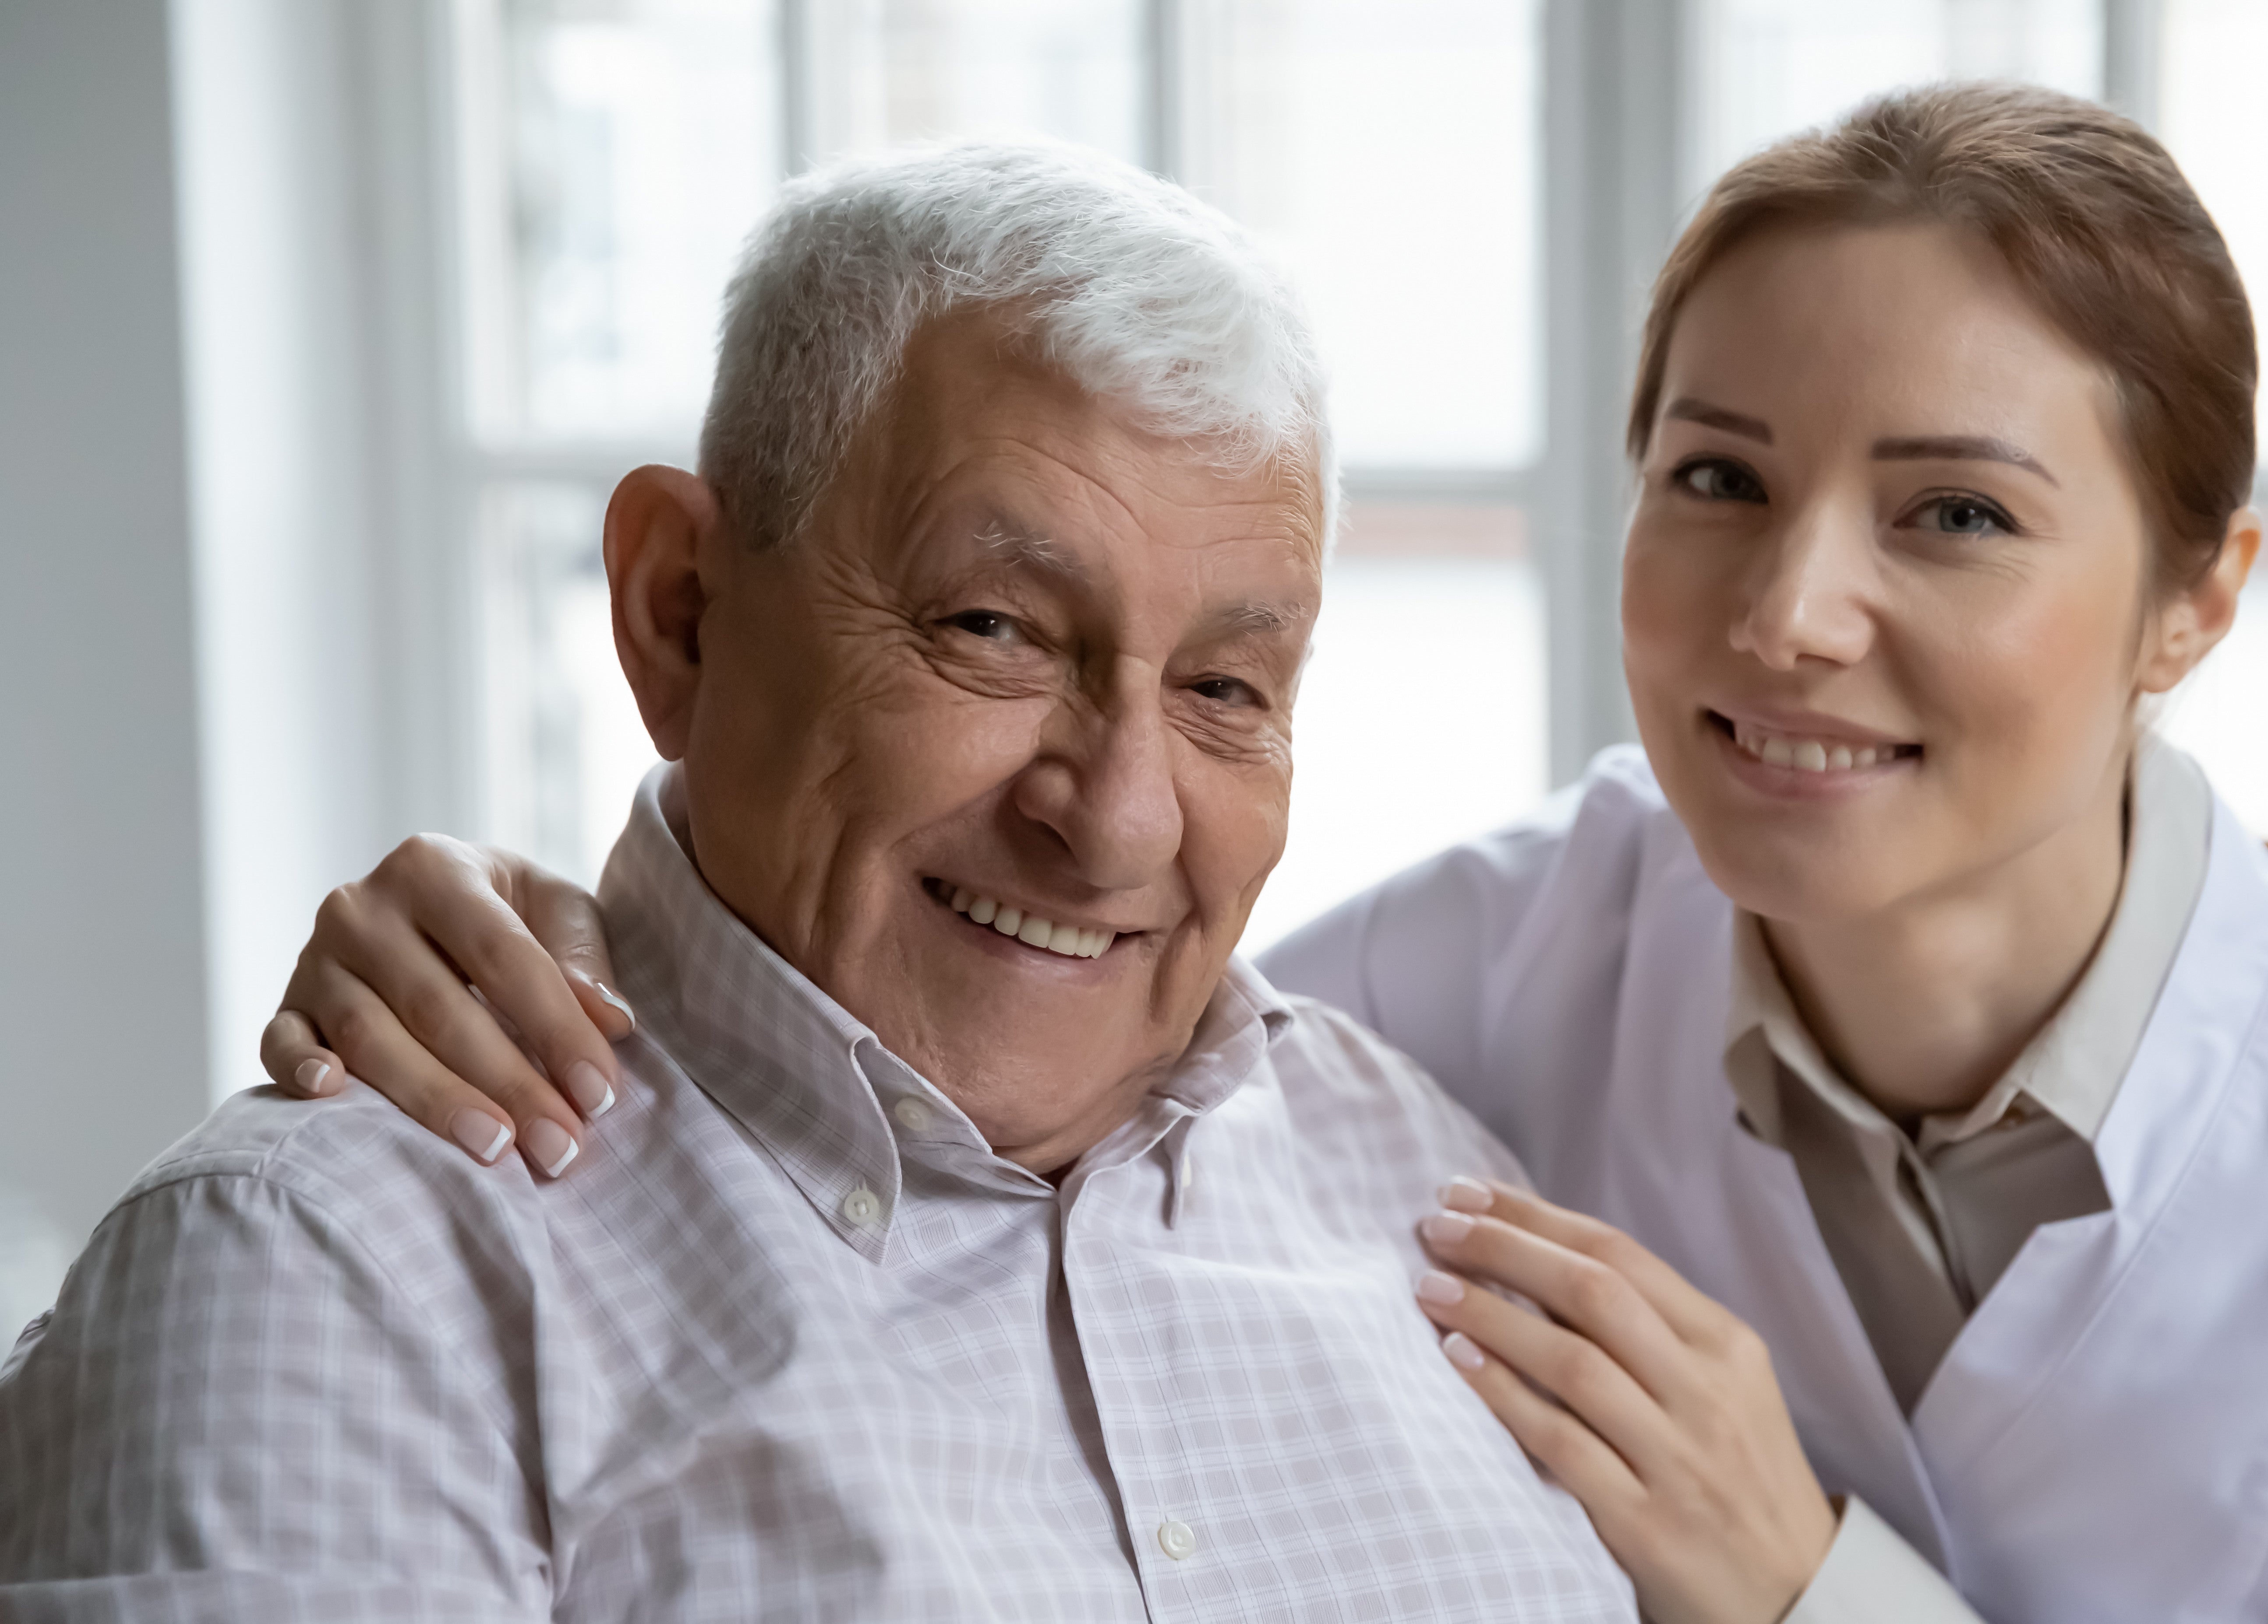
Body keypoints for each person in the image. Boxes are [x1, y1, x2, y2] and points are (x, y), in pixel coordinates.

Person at [237, 85, 2268, 1622]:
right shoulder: (1472, 986)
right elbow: (982, 970)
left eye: (1954, 510)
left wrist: (1807, 1587)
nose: (1789, 609)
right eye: (1717, 476)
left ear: (2197, 598)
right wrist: (588, 925)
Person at [0, 139, 1638, 1620]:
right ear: (682, 613)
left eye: (1225, 689)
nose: (1124, 817)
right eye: (991, 628)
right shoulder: (331, 1279)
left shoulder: (1445, 1198)